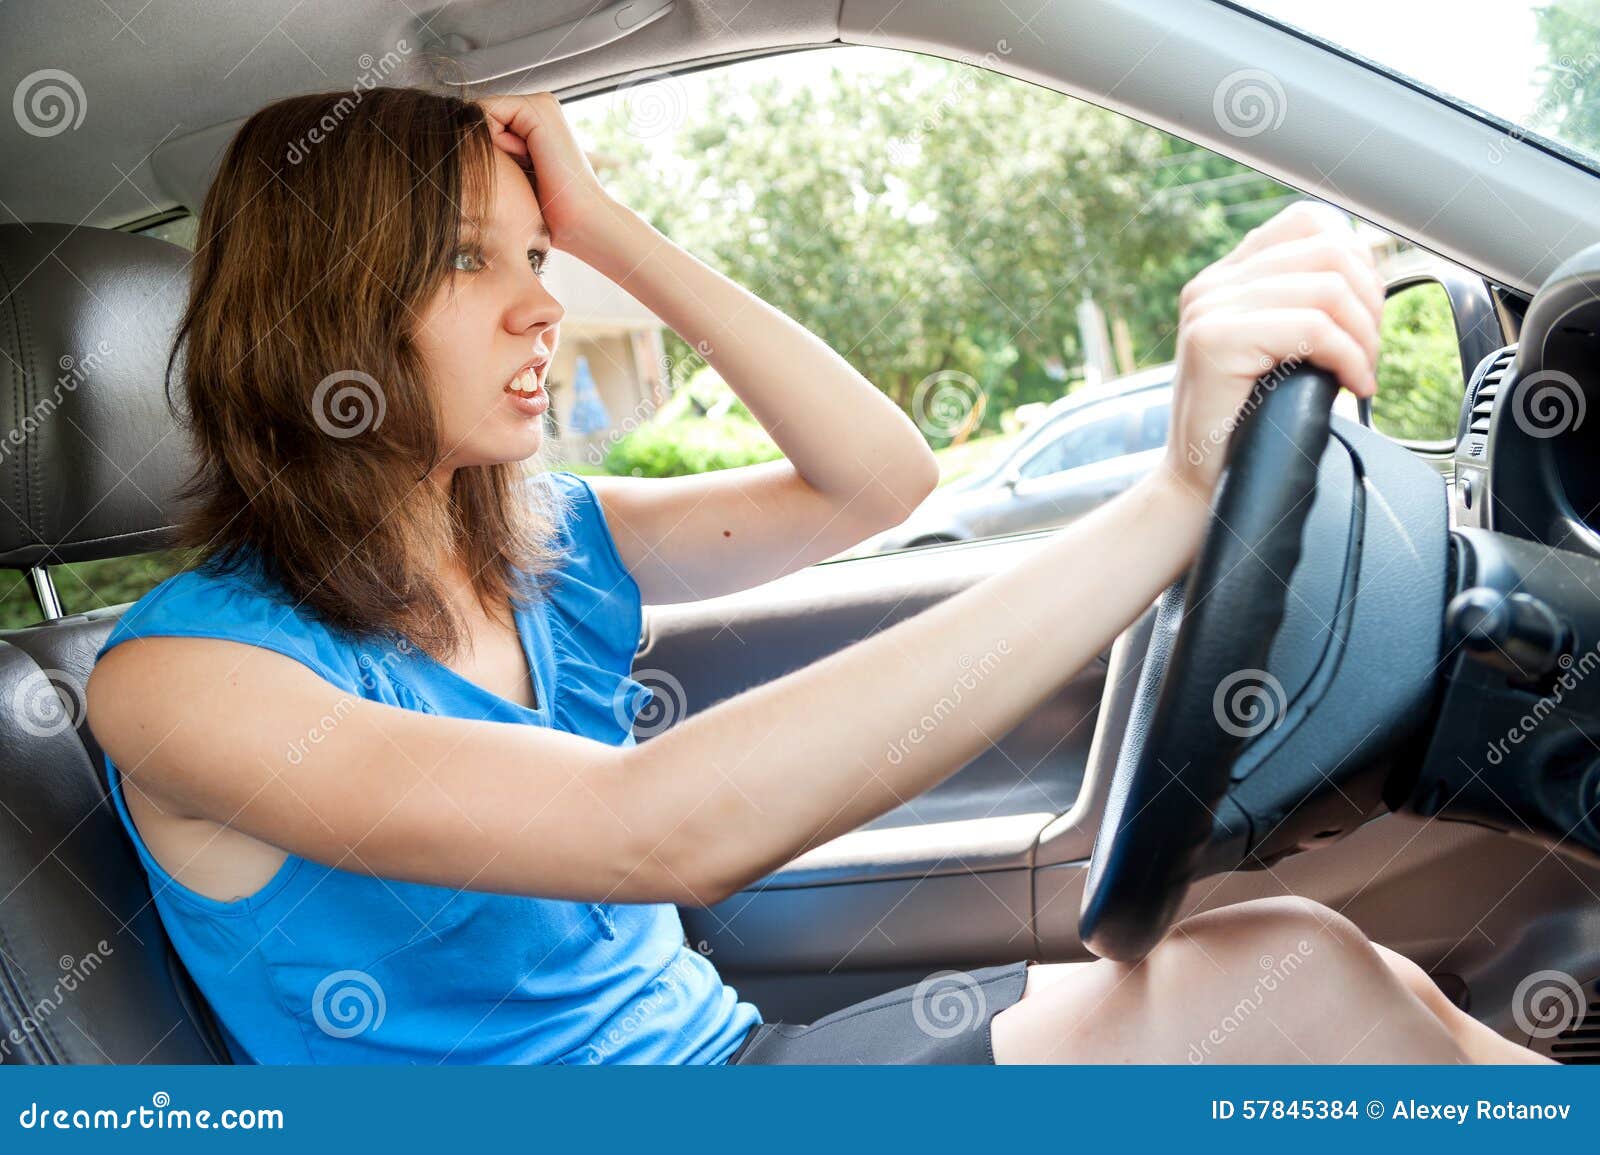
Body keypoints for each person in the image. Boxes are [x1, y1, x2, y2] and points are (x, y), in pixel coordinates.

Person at [85, 86, 1547, 1065]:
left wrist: (606, 227)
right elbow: (652, 830)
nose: (544, 306)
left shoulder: (536, 540)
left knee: (1322, 975)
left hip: (737, 1061)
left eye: (542, 255)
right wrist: (1173, 500)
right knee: (1293, 997)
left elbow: (874, 480)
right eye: (476, 262)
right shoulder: (178, 684)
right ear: (328, 310)